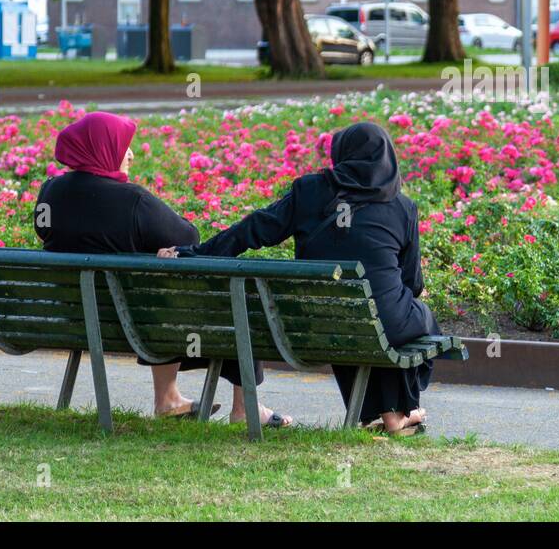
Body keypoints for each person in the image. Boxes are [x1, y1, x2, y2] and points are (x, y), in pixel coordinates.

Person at [159, 121, 437, 435]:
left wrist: (195, 253)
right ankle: (396, 413)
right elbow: (412, 283)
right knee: (404, 317)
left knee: (358, 318)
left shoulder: (310, 190)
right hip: (378, 320)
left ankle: (384, 412)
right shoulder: (402, 207)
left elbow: (255, 229)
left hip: (312, 321)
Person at [34, 111, 291, 428]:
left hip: (75, 317)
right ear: (103, 148)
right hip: (137, 322)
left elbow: (50, 233)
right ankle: (245, 407)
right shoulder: (131, 199)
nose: (129, 153)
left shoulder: (50, 193)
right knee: (232, 300)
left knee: (154, 287)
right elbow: (188, 237)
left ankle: (169, 399)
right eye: (123, 145)